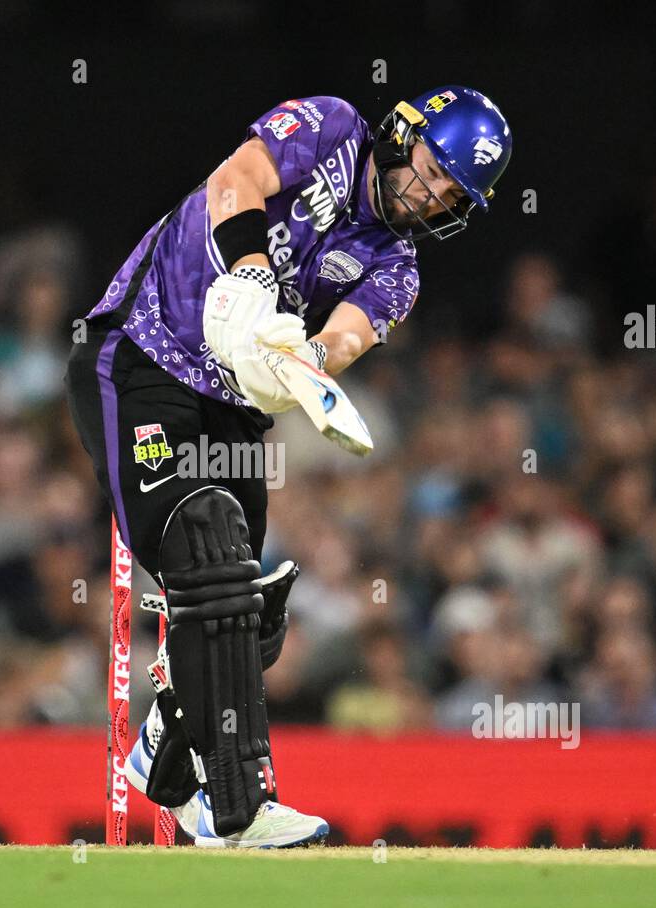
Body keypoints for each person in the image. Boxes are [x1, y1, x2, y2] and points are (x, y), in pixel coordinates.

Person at [65, 88, 512, 847]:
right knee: (203, 540)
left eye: (450, 195)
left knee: (244, 602)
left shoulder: (396, 269)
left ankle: (168, 750)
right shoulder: (333, 128)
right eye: (434, 170)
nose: (430, 195)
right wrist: (249, 274)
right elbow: (234, 181)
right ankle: (238, 808)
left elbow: (342, 342)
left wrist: (302, 361)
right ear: (406, 132)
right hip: (141, 356)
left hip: (233, 407)